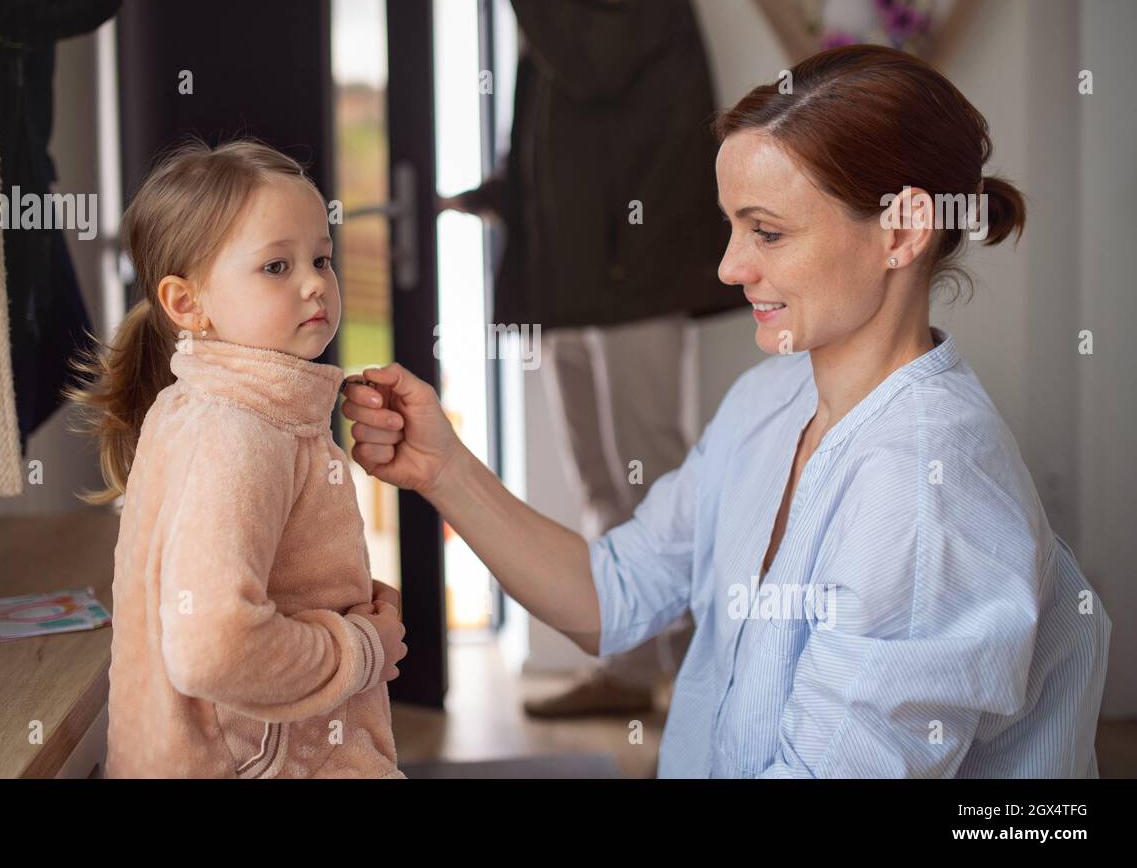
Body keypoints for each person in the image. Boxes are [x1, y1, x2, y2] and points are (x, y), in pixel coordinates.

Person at [345, 45, 1111, 777]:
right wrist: (445, 469)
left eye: (768, 232)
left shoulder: (926, 497)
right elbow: (612, 596)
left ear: (903, 230)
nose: (729, 267)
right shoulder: (770, 398)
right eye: (733, 225)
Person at [442, 0, 747, 715]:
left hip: (633, 273)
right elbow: (565, 127)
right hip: (568, 283)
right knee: (602, 485)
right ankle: (632, 672)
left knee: (660, 488)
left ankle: (704, 693)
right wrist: (497, 195)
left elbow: (594, 65)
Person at [66, 138, 407, 778]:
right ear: (188, 304)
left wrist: (358, 603)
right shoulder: (241, 431)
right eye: (276, 267)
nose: (316, 284)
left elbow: (270, 577)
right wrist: (360, 650)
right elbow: (214, 647)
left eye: (322, 259)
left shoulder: (223, 410)